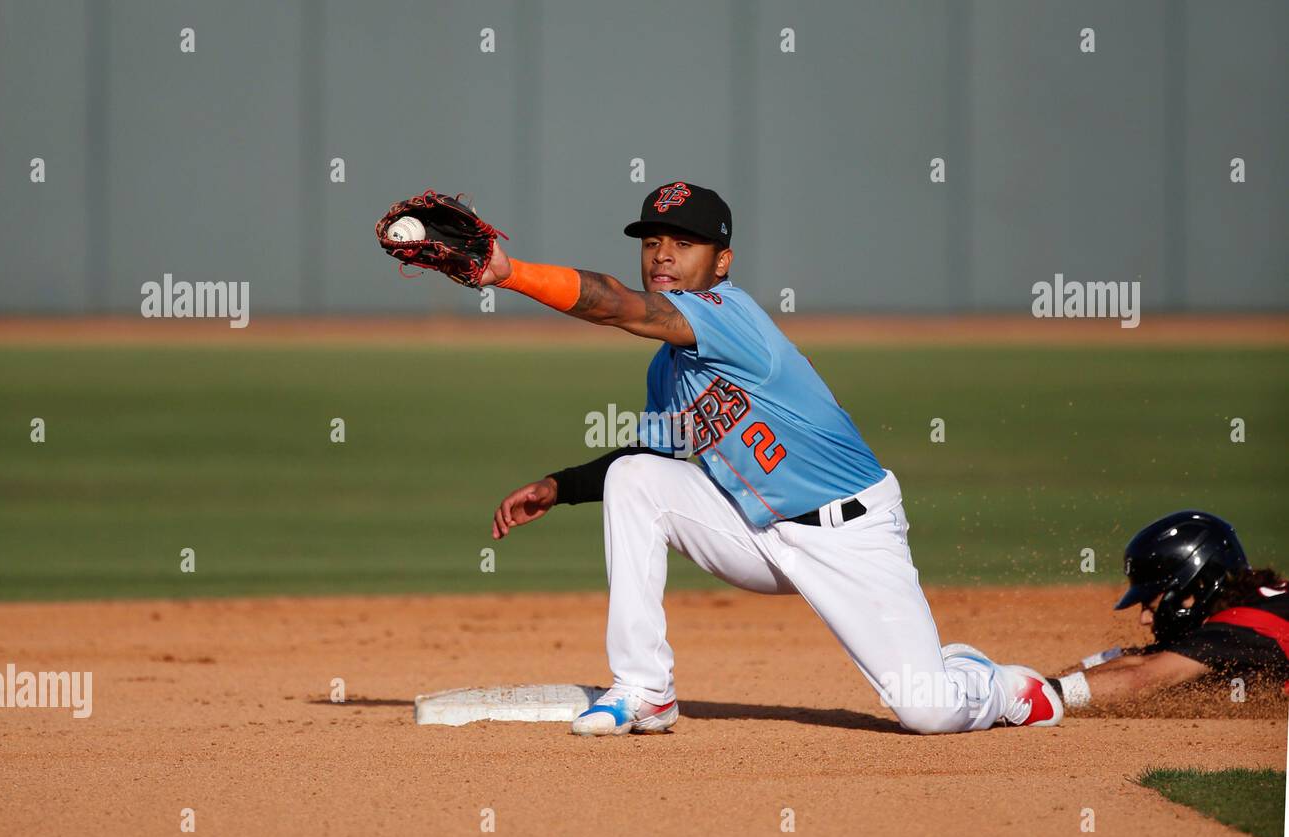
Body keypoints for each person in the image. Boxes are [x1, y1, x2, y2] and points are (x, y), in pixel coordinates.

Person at [482, 181, 1063, 736]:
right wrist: (561, 486)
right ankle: (644, 690)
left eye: (685, 244)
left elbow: (616, 306)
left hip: (851, 533)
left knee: (928, 712)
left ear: (722, 262)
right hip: (757, 538)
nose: (663, 256)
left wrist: (511, 274)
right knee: (636, 477)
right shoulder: (666, 367)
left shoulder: (727, 314)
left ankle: (994, 683)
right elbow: (653, 456)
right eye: (652, 242)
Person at [1050, 511, 1288, 709]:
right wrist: (1046, 684)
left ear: (1195, 588)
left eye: (1151, 606)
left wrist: (1044, 696)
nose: (1144, 619)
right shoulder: (1255, 608)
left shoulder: (1244, 626)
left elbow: (1143, 676)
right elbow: (1143, 659)